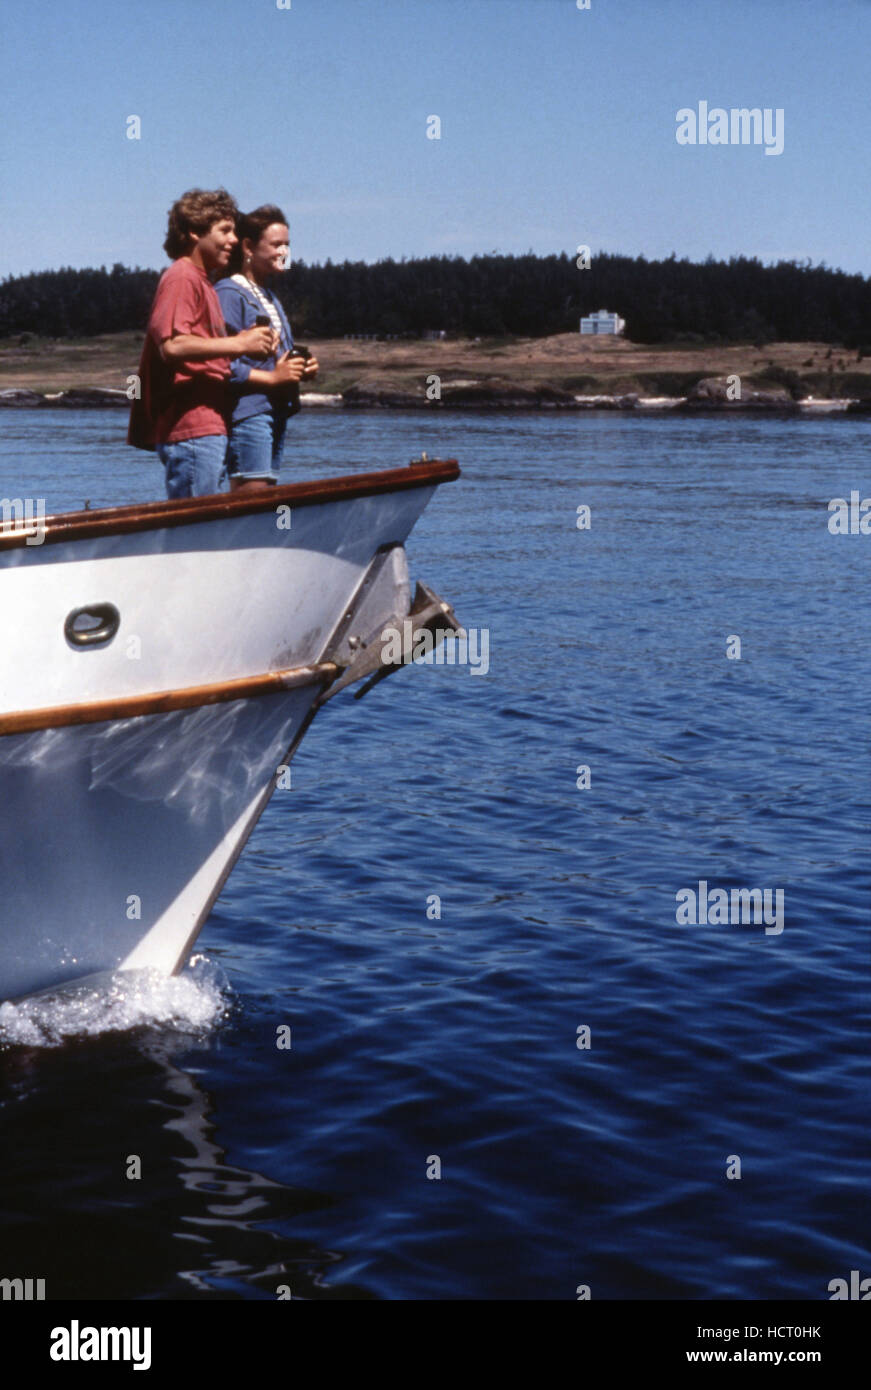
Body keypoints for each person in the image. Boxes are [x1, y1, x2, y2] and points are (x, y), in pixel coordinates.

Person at [127, 188, 276, 498]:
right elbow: (172, 346)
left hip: (207, 426)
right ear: (195, 231)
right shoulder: (182, 276)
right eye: (224, 230)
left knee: (202, 520)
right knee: (195, 526)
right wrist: (241, 344)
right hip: (192, 427)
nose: (234, 240)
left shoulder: (203, 281)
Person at [215, 205, 319, 489]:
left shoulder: (268, 296)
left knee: (261, 501)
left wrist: (302, 368)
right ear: (248, 246)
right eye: (276, 245)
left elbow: (275, 359)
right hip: (248, 415)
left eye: (287, 245)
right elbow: (220, 364)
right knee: (252, 501)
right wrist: (274, 378)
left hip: (273, 412)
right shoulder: (229, 293)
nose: (284, 252)